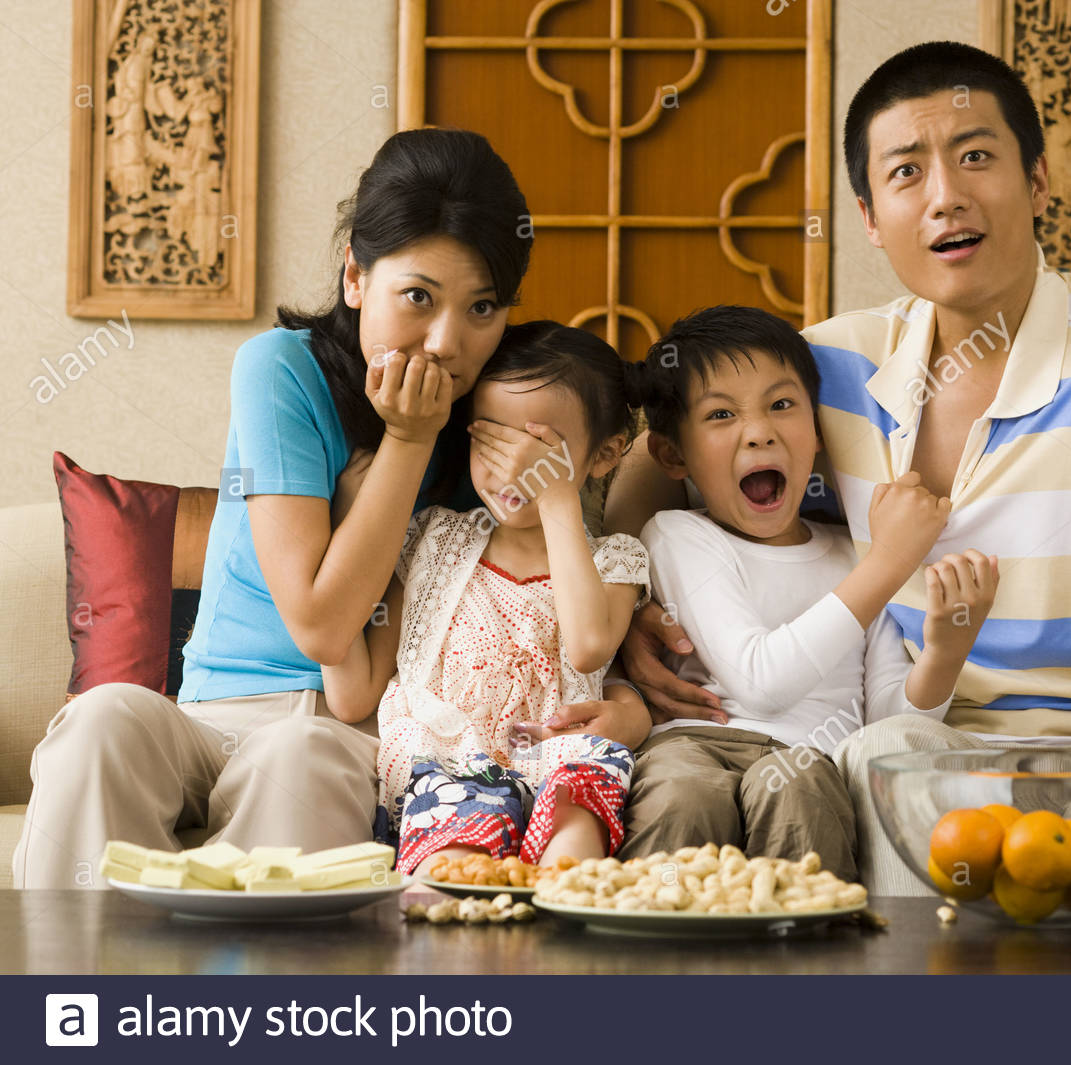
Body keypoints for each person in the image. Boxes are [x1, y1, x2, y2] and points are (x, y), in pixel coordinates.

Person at [606, 41, 1071, 898]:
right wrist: (632, 606)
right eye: (906, 172)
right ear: (868, 217)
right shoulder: (823, 371)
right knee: (879, 749)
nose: (946, 195)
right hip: (931, 750)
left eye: (976, 156)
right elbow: (662, 456)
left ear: (1039, 180)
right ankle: (921, 1027)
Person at [14, 128, 645, 889]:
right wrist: (410, 440)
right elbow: (316, 615)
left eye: (483, 307)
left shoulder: (488, 415)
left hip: (356, 725)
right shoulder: (280, 371)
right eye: (418, 297)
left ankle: (272, 1006)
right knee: (100, 721)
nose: (447, 341)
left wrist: (630, 680)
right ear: (355, 275)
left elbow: (553, 584)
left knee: (299, 753)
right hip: (215, 709)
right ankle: (62, 994)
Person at [616, 305, 997, 882]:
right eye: (721, 414)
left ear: (818, 432)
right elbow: (762, 683)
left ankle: (806, 964)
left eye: (782, 405)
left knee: (801, 793)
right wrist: (890, 562)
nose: (760, 430)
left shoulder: (856, 553)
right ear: (673, 454)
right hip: (696, 745)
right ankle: (656, 960)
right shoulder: (680, 534)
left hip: (813, 756)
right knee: (682, 797)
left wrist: (946, 651)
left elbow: (887, 719)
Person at [321, 321, 652, 876]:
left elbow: (590, 647)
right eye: (493, 440)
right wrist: (343, 529)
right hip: (449, 758)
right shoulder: (435, 541)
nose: (512, 467)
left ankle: (564, 914)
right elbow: (355, 696)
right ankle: (454, 924)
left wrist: (557, 501)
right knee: (460, 847)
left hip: (562, 755)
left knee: (581, 810)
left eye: (540, 447)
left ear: (605, 454)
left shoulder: (614, 560)